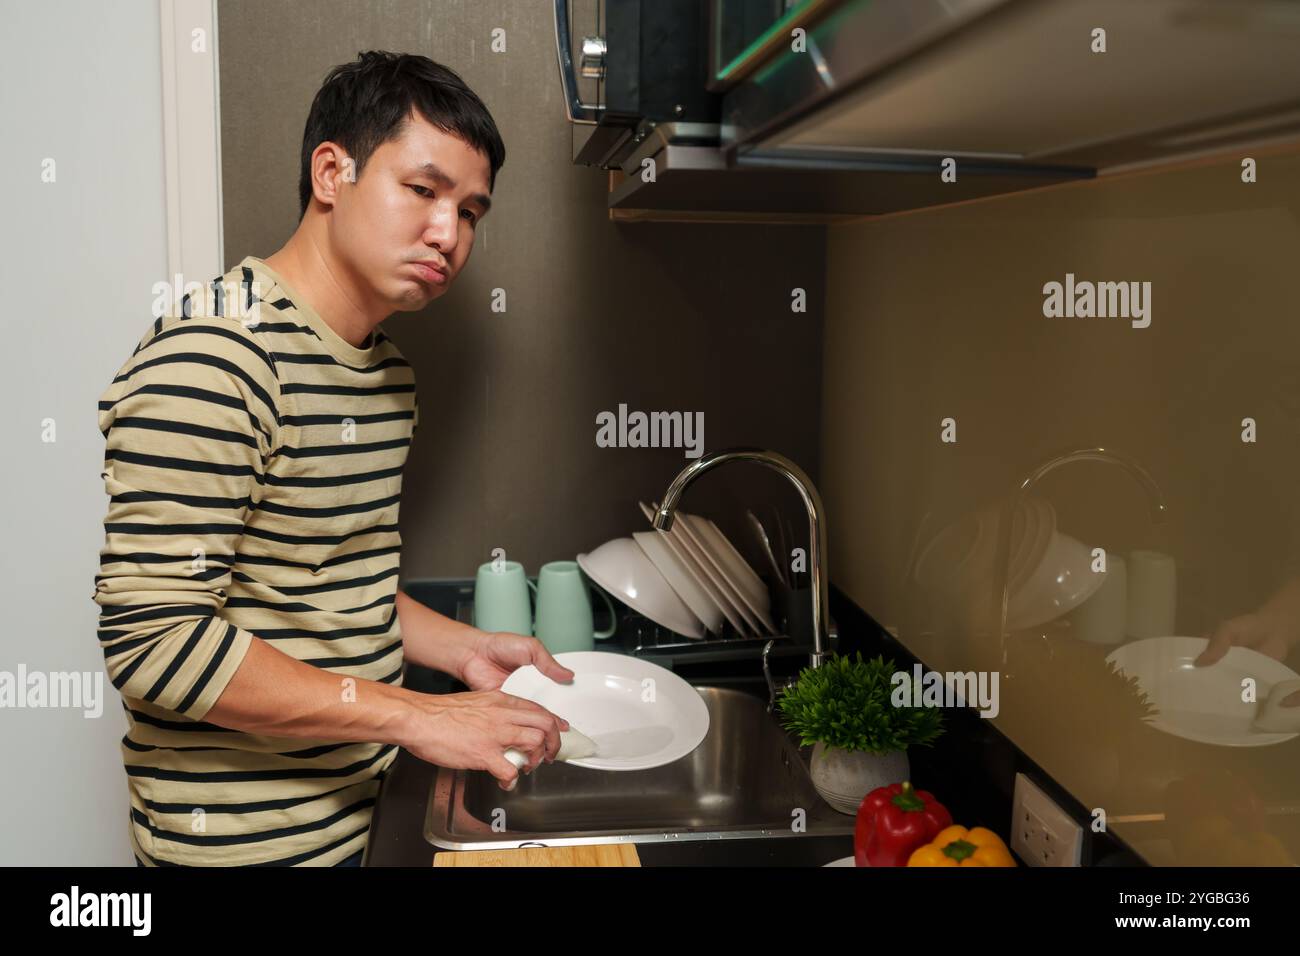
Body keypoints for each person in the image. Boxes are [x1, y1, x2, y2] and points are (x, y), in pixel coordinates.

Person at [94, 51, 572, 867]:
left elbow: (323, 584)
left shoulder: (383, 374)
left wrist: (458, 649)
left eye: (472, 211)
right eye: (423, 191)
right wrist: (416, 716)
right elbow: (155, 642)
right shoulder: (216, 357)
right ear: (331, 171)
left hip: (364, 820)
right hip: (245, 852)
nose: (449, 234)